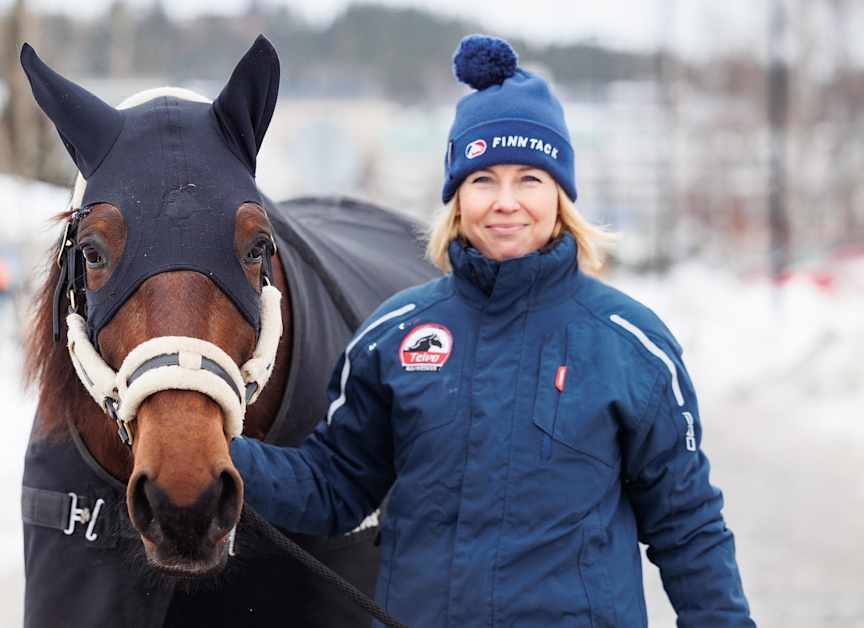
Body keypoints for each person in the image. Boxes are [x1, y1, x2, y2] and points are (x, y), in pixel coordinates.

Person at [230, 35, 753, 627]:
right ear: (456, 197)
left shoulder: (631, 346)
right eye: (483, 180)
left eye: (529, 178)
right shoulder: (393, 338)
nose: (506, 203)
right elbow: (332, 488)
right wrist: (215, 450)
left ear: (561, 195)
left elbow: (690, 530)